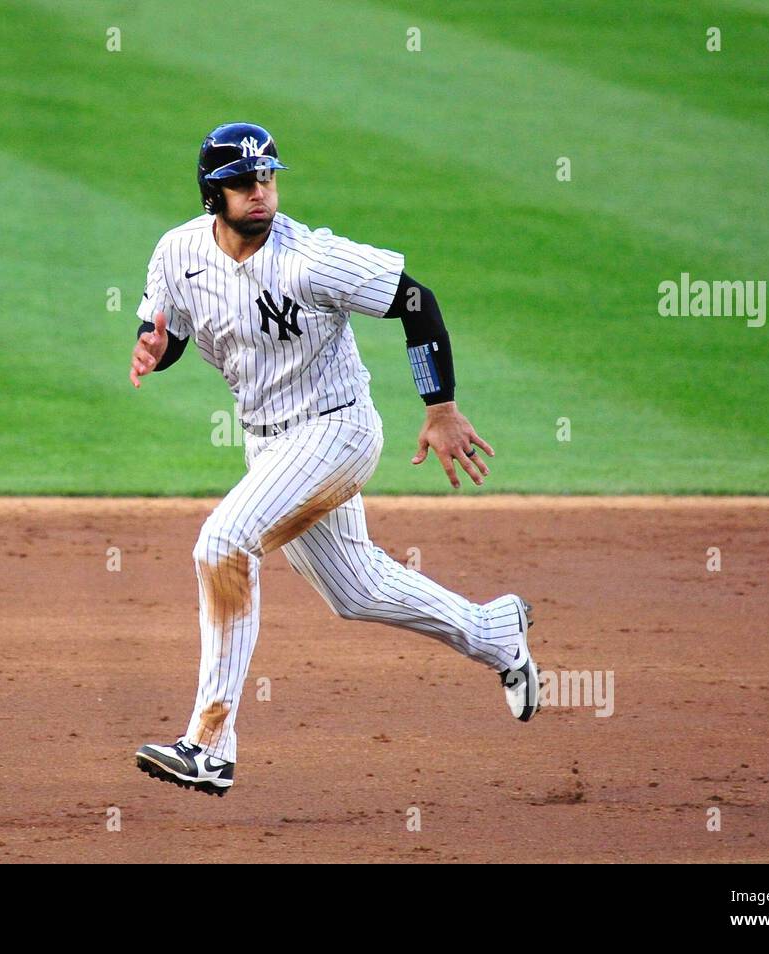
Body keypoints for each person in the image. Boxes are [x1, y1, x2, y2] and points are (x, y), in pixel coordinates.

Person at [129, 122, 539, 796]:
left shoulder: (311, 258)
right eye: (243, 182)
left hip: (336, 431)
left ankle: (210, 746)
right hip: (268, 443)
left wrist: (440, 408)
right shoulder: (177, 254)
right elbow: (168, 327)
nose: (261, 192)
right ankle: (494, 633)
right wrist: (155, 349)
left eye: (267, 177)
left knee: (223, 545)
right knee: (358, 590)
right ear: (213, 194)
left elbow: (416, 301)